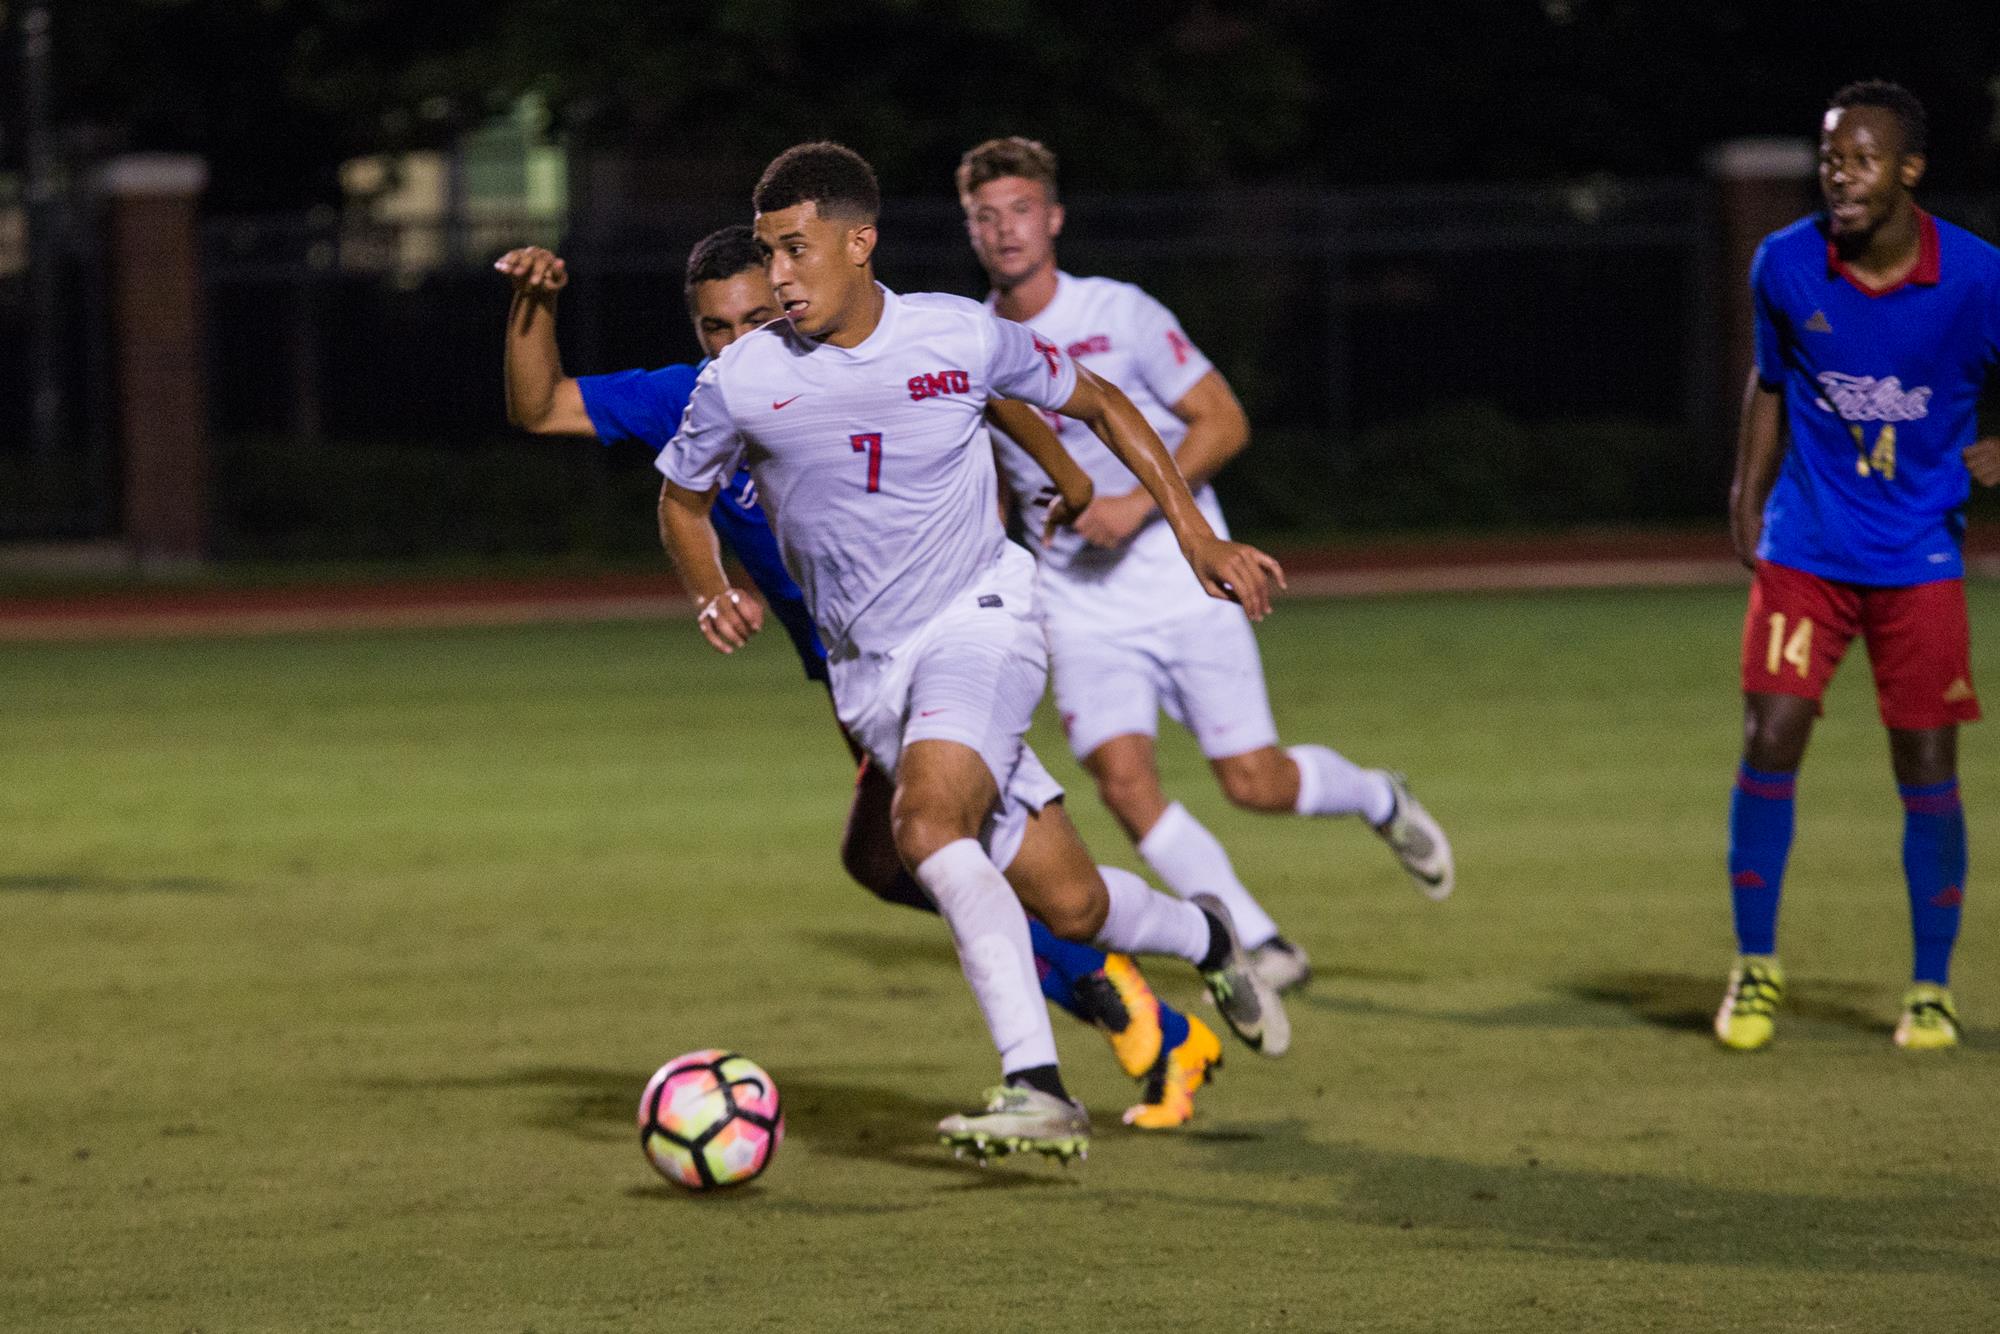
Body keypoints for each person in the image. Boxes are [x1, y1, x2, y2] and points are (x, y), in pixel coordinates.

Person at [497, 225, 1227, 1133]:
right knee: (893, 863)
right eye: (715, 330)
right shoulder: (705, 397)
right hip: (852, 668)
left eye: (758, 317)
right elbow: (541, 409)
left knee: (928, 835)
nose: (739, 343)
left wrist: (1068, 478)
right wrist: (536, 301)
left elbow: (990, 390)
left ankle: (1105, 1026)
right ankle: (1158, 973)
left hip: (946, 633)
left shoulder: (861, 355)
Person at [655, 142, 1292, 1161]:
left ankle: (1036, 1083)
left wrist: (1193, 534)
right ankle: (1209, 936)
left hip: (981, 617)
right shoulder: (742, 377)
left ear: (859, 242)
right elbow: (681, 499)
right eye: (767, 252)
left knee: (920, 824)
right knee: (1072, 899)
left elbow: (1100, 403)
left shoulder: (956, 333)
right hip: (869, 674)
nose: (775, 275)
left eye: (793, 249)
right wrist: (710, 590)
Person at [955, 136, 1455, 992]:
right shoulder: (968, 342)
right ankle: (1257, 941)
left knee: (1253, 782)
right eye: (986, 217)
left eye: (1021, 211)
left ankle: (1378, 797)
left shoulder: (1120, 313)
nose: (1006, 231)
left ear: (1055, 218)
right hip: (1074, 600)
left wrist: (1138, 506)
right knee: (1121, 780)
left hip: (1180, 575)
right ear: (969, 229)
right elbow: (995, 479)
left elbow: (1222, 419)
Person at [1718, 80, 2000, 1052]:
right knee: (1770, 731)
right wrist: (1744, 497)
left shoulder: (1973, 277)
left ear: (1908, 171)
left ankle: (1929, 985)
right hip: (1807, 544)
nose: (1837, 173)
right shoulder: (1784, 265)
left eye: (1860, 157)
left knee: (1923, 763)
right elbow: (1768, 381)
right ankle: (1754, 964)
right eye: (1828, 155)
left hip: (1918, 554)